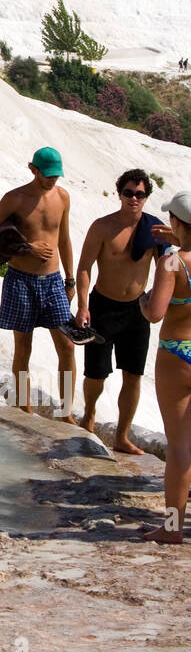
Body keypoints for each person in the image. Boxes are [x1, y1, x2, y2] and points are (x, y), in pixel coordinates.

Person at [75, 169, 168, 454]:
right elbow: (84, 267)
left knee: (133, 374)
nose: (133, 199)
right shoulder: (103, 227)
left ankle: (122, 436)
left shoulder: (154, 230)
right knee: (96, 374)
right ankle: (89, 415)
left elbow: (169, 268)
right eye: (128, 193)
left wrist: (157, 303)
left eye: (139, 194)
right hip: (103, 307)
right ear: (119, 194)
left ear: (147, 197)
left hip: (137, 311)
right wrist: (82, 305)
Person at [0, 146, 76, 419]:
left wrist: (69, 280)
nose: (52, 180)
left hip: (53, 280)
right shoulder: (14, 198)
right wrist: (28, 248)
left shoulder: (62, 197)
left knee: (68, 345)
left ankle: (67, 410)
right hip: (21, 279)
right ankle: (23, 407)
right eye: (47, 175)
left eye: (56, 176)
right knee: (24, 346)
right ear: (32, 169)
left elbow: (65, 240)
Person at [139, 192, 191, 543]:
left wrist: (143, 300)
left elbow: (156, 312)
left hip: (177, 353)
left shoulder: (172, 262)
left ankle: (172, 528)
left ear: (174, 222)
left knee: (179, 447)